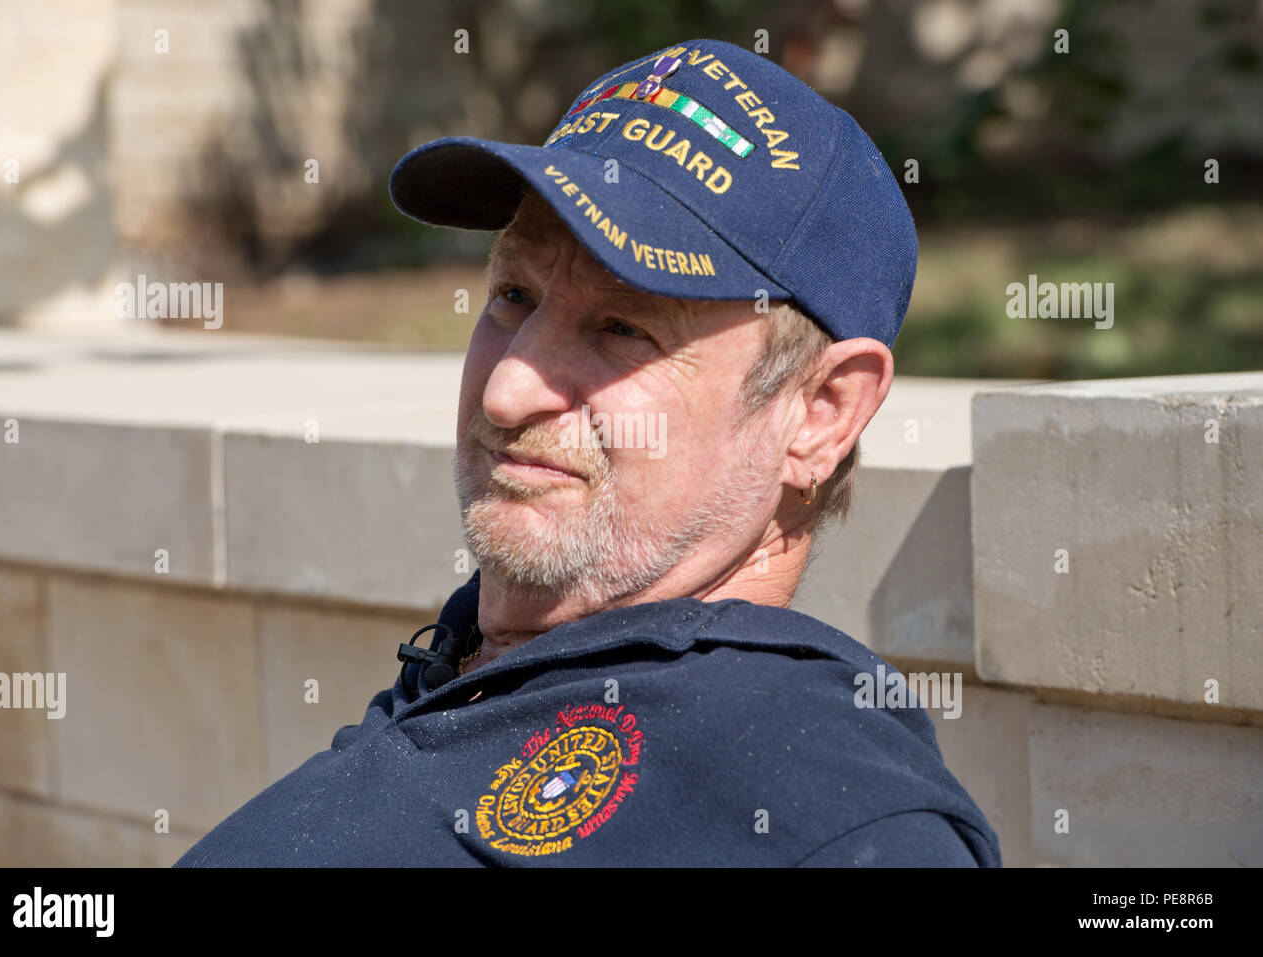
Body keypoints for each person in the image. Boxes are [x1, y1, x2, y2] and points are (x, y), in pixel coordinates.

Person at [176, 37, 1000, 867]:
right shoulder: (473, 666)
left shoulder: (836, 820)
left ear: (820, 412)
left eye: (621, 328)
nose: (505, 392)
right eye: (512, 295)